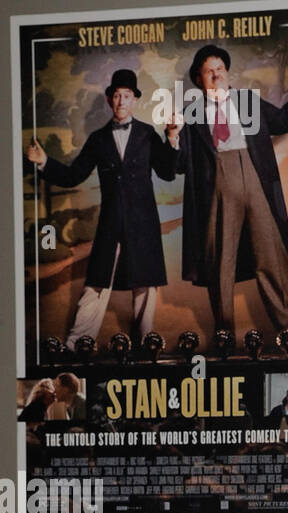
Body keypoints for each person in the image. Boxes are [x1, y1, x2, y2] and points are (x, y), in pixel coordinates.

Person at [172, 44, 288, 336]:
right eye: (209, 71)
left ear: (228, 74)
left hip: (257, 180)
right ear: (199, 80)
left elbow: (285, 121)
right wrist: (172, 137)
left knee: (271, 256)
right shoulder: (190, 114)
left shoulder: (248, 101)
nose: (216, 75)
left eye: (220, 69)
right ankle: (225, 335)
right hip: (217, 189)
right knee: (221, 264)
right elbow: (178, 164)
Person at [27, 69, 179, 346]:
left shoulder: (147, 135)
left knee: (146, 285)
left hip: (143, 223)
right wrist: (44, 162)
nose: (122, 101)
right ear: (110, 100)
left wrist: (171, 138)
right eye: (117, 95)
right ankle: (77, 343)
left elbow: (168, 172)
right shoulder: (98, 139)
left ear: (135, 100)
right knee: (97, 283)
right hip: (111, 222)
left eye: (127, 95)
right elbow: (74, 175)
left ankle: (147, 345)